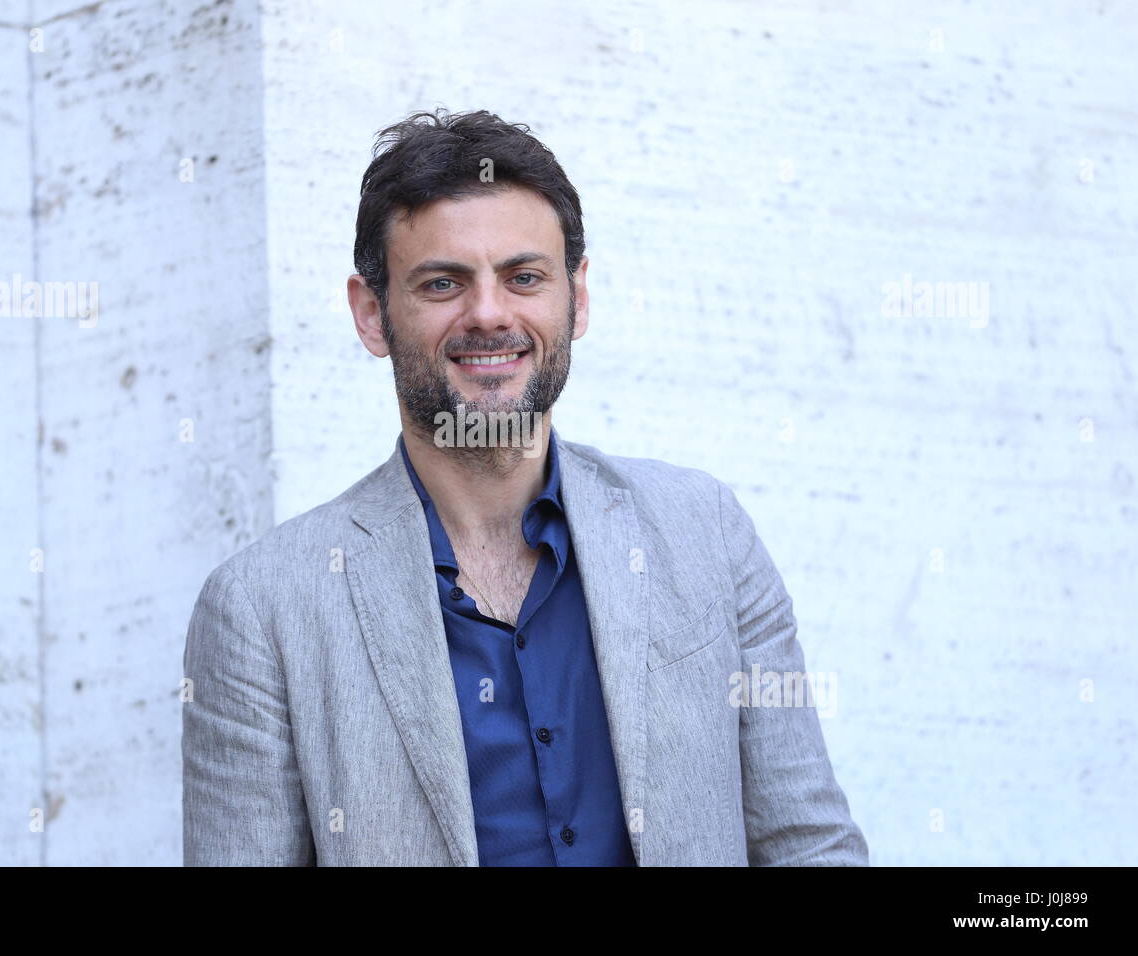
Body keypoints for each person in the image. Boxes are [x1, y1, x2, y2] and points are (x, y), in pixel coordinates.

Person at [182, 108, 868, 866]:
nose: (488, 313)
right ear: (372, 314)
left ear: (576, 297)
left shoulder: (705, 532)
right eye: (442, 283)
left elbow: (809, 846)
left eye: (524, 277)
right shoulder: (260, 609)